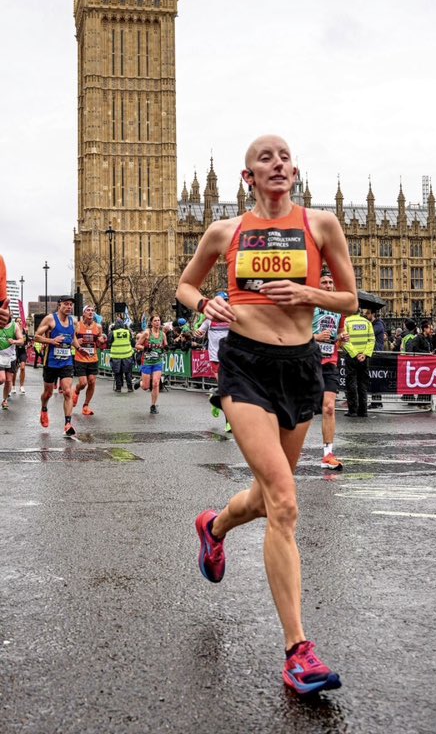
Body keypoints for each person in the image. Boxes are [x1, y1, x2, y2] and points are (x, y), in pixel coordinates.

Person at [176, 134, 356, 695]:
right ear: (247, 176)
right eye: (264, 158)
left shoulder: (321, 225)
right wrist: (206, 302)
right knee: (283, 499)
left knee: (262, 497)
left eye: (284, 157)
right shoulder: (225, 232)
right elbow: (184, 284)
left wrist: (309, 293)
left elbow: (350, 298)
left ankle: (215, 525)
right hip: (245, 367)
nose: (276, 163)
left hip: (299, 366)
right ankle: (298, 650)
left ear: (295, 171)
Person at [312, 272, 346, 469]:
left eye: (331, 282)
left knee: (330, 407)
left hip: (330, 362)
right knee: (299, 409)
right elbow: (295, 330)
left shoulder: (338, 307)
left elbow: (340, 331)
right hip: (307, 361)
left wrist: (343, 336)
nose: (328, 284)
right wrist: (315, 337)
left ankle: (328, 454)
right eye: (324, 281)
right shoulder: (309, 304)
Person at [35, 296, 80, 436]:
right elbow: (36, 336)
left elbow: (72, 338)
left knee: (67, 391)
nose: (69, 307)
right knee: (48, 393)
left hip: (66, 362)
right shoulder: (50, 319)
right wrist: (51, 341)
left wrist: (79, 348)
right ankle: (44, 408)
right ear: (59, 305)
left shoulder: (73, 321)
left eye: (71, 305)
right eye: (66, 304)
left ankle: (67, 423)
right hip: (51, 362)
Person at [195, 292, 232, 432]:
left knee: (228, 388)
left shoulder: (231, 318)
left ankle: (215, 398)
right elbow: (199, 332)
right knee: (225, 388)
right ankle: (229, 421)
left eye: (227, 301)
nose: (225, 304)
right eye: (223, 301)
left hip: (229, 358)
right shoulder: (209, 320)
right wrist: (198, 333)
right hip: (215, 358)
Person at [73, 305, 106, 415]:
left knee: (92, 381)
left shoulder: (98, 327)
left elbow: (100, 343)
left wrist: (101, 341)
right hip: (80, 358)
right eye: (88, 310)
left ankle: (86, 406)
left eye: (92, 311)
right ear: (84, 313)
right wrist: (78, 342)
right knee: (83, 383)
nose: (91, 312)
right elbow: (71, 339)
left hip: (93, 358)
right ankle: (76, 391)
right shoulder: (77, 325)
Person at [342, 308, 375, 418]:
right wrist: (364, 354)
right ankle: (363, 410)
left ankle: (353, 410)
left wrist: (355, 354)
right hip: (364, 357)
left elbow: (345, 341)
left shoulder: (346, 322)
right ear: (359, 312)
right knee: (362, 384)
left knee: (351, 383)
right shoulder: (367, 322)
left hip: (352, 356)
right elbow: (371, 340)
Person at [135, 314, 167, 414]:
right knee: (145, 387)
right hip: (147, 362)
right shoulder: (147, 333)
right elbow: (137, 345)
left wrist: (165, 348)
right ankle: (140, 382)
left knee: (156, 383)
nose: (157, 322)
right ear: (151, 323)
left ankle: (153, 405)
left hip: (157, 361)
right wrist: (145, 348)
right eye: (155, 321)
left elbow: (165, 345)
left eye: (159, 320)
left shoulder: (163, 334)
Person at [0, 314, 24, 409]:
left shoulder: (14, 326)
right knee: (2, 379)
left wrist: (14, 341)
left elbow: (21, 340)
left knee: (8, 381)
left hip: (11, 357)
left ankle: (5, 400)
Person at [109, 315, 135, 391]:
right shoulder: (128, 332)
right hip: (127, 355)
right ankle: (130, 388)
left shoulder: (113, 333)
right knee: (128, 373)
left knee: (118, 373)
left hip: (116, 356)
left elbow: (109, 342)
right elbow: (132, 342)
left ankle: (118, 388)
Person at [15, 324, 29, 393]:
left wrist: (26, 334)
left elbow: (27, 342)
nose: (19, 323)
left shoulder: (24, 331)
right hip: (15, 351)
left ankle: (22, 386)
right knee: (14, 370)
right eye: (17, 321)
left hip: (23, 351)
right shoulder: (13, 331)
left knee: (22, 368)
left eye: (20, 321)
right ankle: (13, 386)